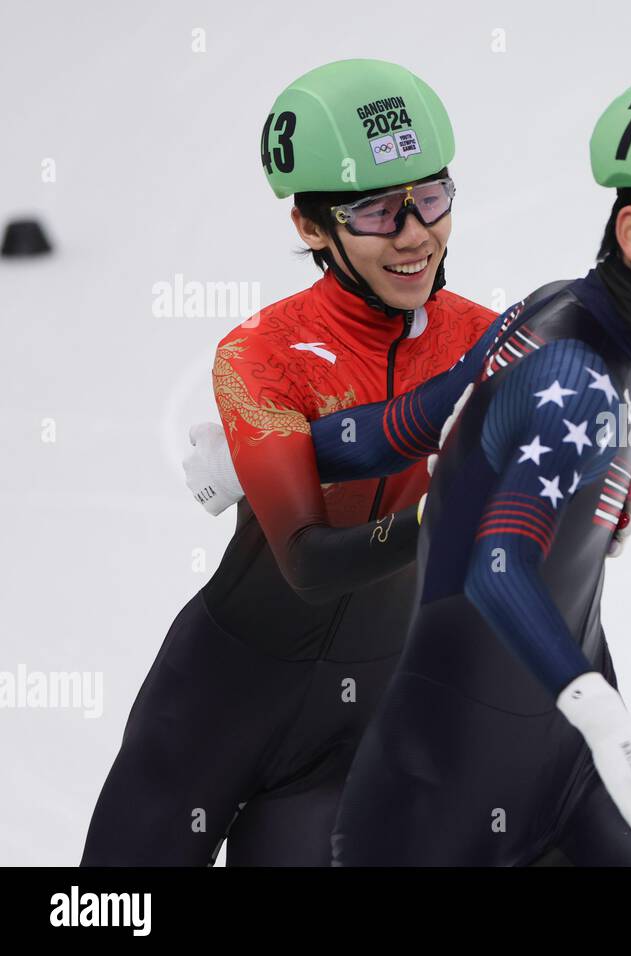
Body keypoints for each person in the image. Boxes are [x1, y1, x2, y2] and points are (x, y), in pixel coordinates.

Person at [281, 70, 631, 865]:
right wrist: (610, 722)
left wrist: (284, 443)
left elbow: (419, 419)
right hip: (437, 819)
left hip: (566, 779)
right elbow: (498, 567)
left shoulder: (567, 315)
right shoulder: (578, 378)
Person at [80, 58, 504, 866]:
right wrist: (441, 504)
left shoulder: (488, 343)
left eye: (432, 198)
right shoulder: (262, 354)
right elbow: (308, 561)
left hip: (354, 721)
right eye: (378, 210)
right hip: (217, 700)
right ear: (311, 227)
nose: (416, 234)